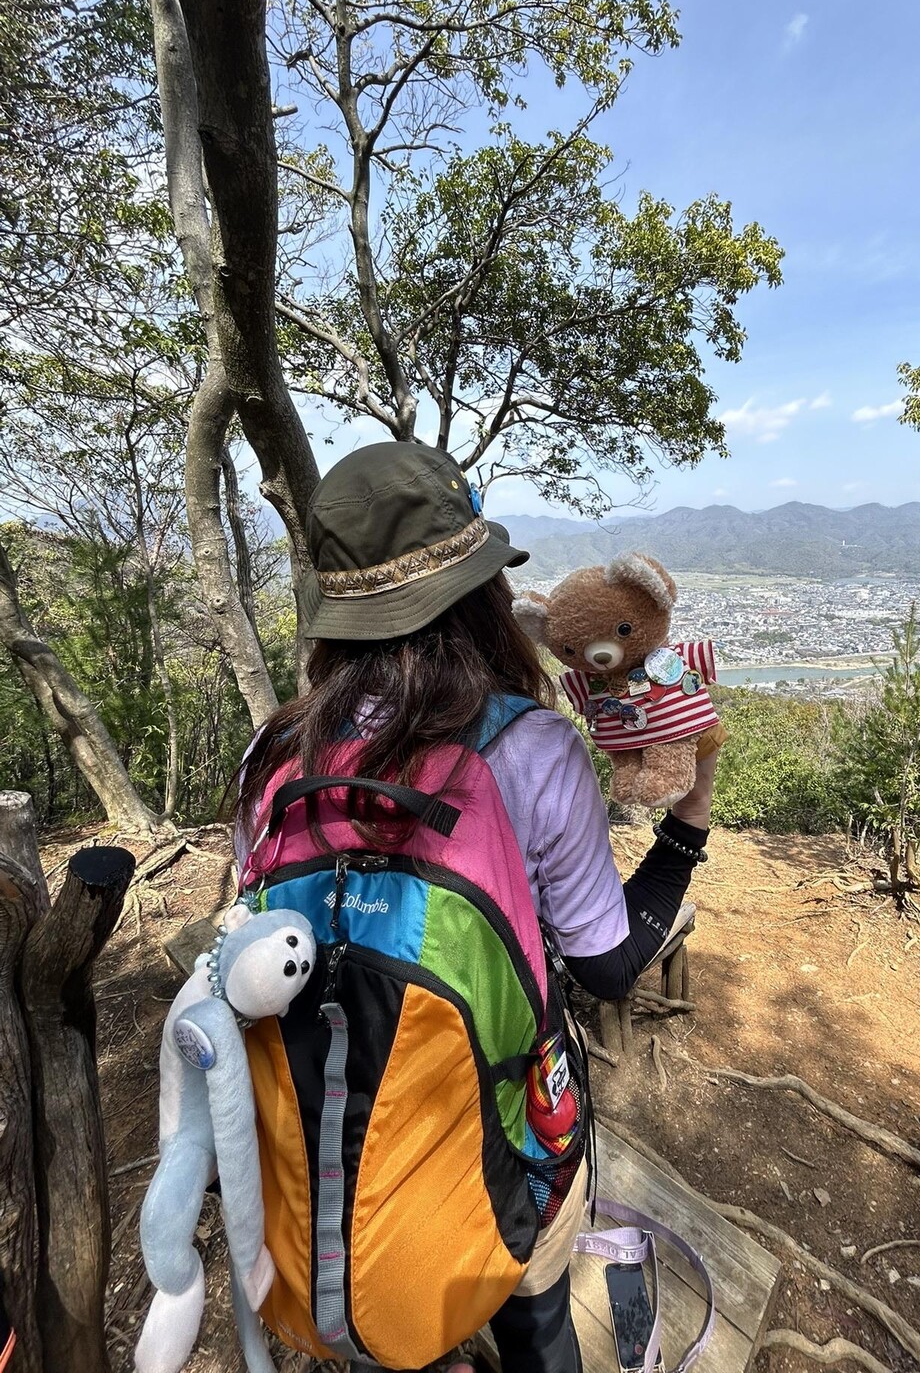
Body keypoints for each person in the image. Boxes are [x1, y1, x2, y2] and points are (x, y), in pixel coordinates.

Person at [232, 443, 717, 1373]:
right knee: (538, 1322)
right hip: (499, 1152)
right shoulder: (531, 748)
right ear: (482, 596)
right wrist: (688, 824)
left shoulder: (275, 753)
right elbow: (608, 966)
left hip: (323, 1162)